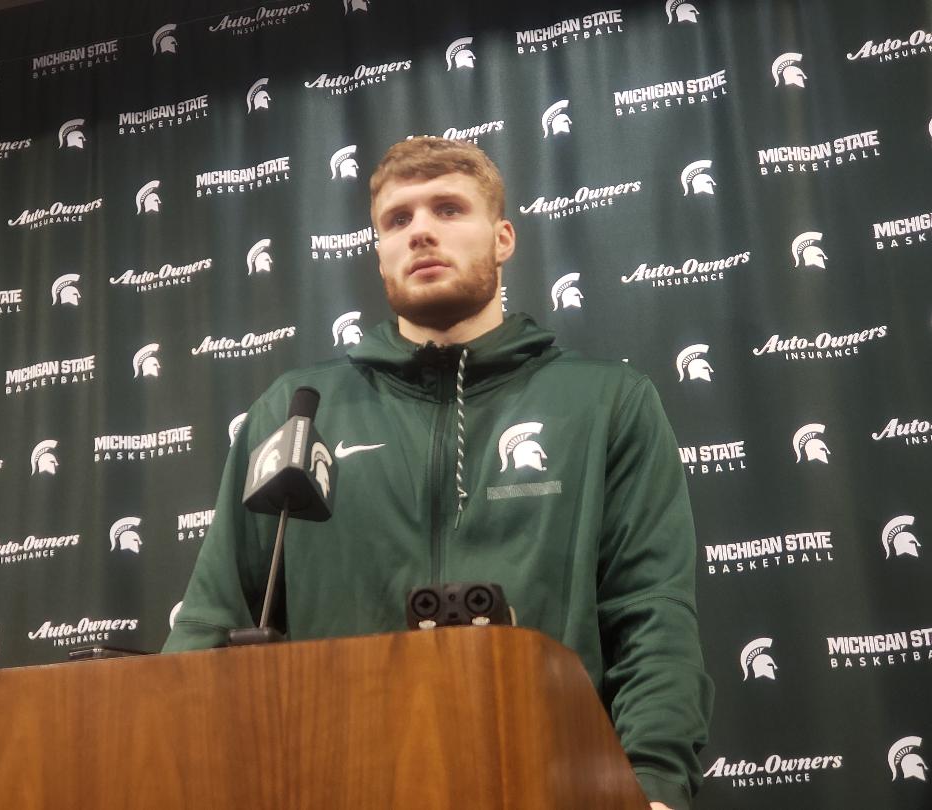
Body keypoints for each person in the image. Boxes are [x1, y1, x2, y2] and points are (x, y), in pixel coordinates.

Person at [164, 138, 713, 810]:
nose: (420, 231)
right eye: (397, 219)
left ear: (503, 238)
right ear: (379, 253)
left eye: (448, 209)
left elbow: (652, 617)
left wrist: (652, 786)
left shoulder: (606, 403)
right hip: (336, 786)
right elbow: (212, 623)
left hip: (552, 784)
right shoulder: (297, 412)